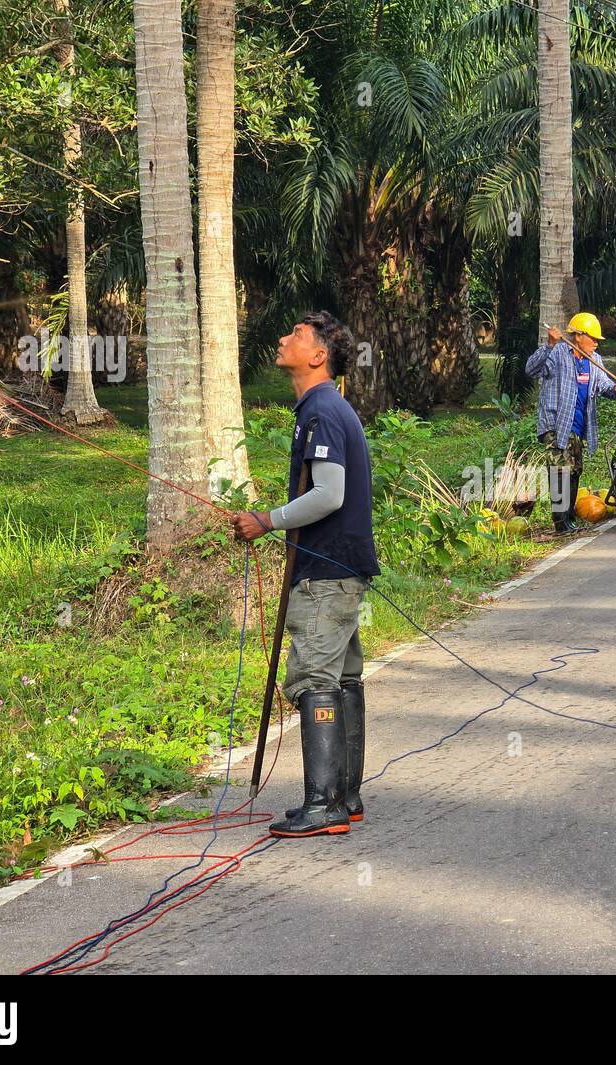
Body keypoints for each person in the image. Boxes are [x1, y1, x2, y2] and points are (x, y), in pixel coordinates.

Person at [231, 311, 380, 839]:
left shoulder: (321, 411)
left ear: (318, 355)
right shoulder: (323, 407)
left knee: (315, 681)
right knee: (343, 678)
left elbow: (329, 494)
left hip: (326, 574)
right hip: (341, 570)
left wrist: (266, 520)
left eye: (294, 335)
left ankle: (324, 805)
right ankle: (346, 796)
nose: (282, 338)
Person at [525, 312, 616, 533]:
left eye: (597, 340)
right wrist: (548, 345)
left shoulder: (595, 361)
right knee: (560, 470)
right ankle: (561, 522)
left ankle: (567, 517)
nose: (596, 343)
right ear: (578, 336)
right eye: (592, 338)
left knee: (575, 471)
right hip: (556, 424)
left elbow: (604, 387)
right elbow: (531, 369)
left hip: (578, 427)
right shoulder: (556, 354)